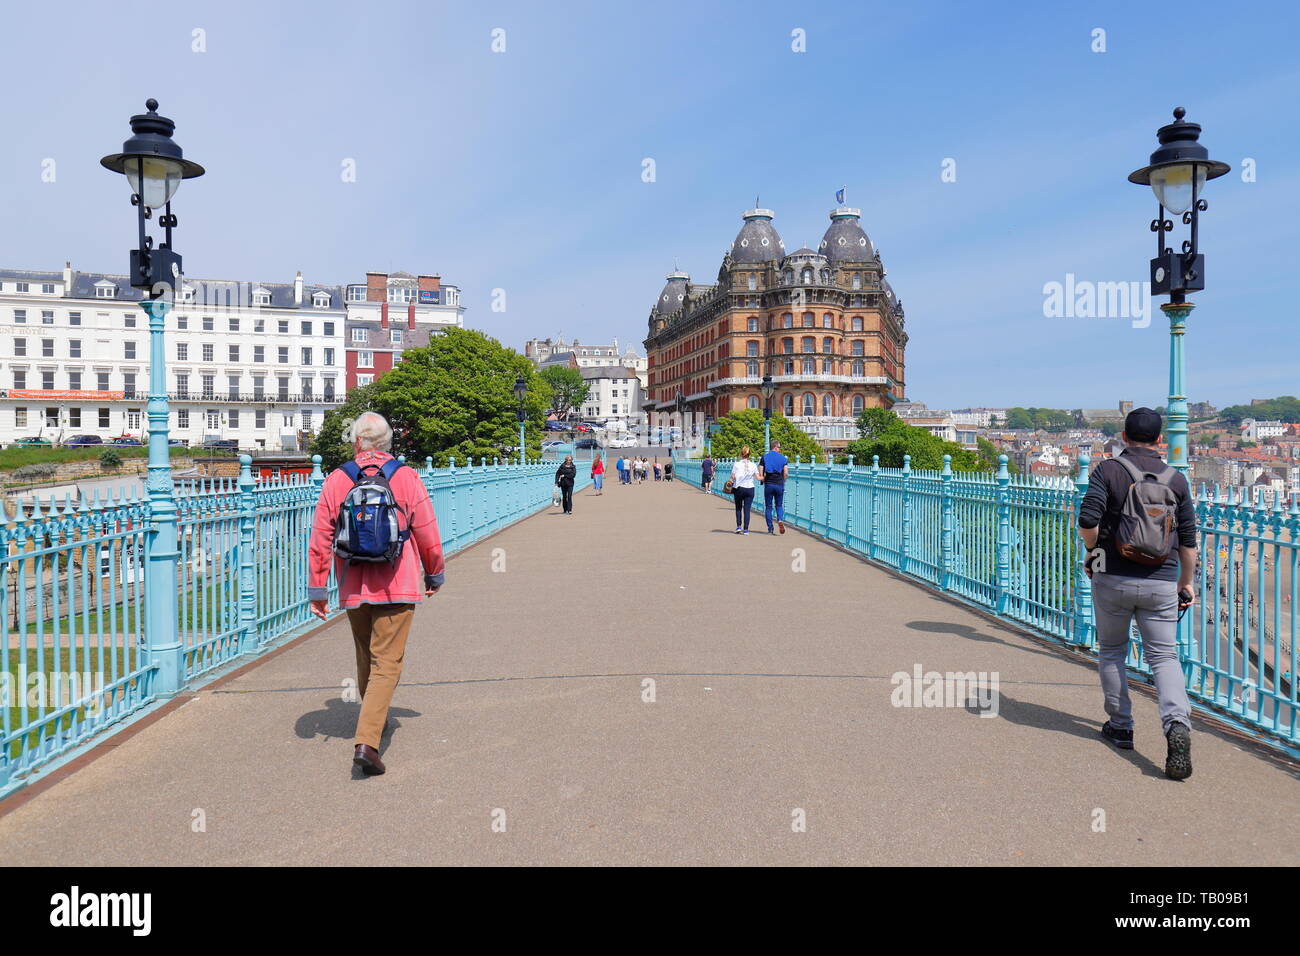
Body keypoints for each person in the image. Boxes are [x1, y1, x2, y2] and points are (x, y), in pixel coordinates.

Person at [307, 411, 445, 776]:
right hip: (398, 582)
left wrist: (317, 588)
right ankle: (367, 743)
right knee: (387, 662)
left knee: (367, 655)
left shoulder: (337, 479)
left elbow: (321, 537)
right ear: (387, 443)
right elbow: (427, 530)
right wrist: (434, 573)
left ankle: (374, 717)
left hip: (353, 583)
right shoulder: (406, 477)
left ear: (357, 442)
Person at [1078, 407, 1198, 780]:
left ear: (1124, 436)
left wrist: (1094, 552)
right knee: (1164, 658)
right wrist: (1185, 582)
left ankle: (1121, 726)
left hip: (1112, 574)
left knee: (1113, 650)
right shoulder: (1176, 479)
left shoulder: (1108, 470)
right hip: (1162, 579)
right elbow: (1189, 539)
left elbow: (1087, 519)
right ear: (1160, 440)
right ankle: (1176, 723)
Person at [759, 441, 789, 535]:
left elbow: (761, 471)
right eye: (779, 447)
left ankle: (770, 529)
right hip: (779, 484)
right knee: (779, 505)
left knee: (768, 507)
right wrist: (783, 481)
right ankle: (780, 519)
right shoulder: (783, 458)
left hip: (769, 484)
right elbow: (786, 473)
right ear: (775, 447)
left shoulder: (765, 457)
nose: (780, 449)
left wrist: (763, 480)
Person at [728, 445, 760, 534]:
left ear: (741, 454)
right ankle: (746, 529)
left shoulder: (737, 464)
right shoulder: (753, 465)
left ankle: (738, 527)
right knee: (747, 510)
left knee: (738, 508)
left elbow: (733, 477)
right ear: (749, 454)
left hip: (739, 488)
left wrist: (732, 480)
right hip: (750, 489)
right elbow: (758, 477)